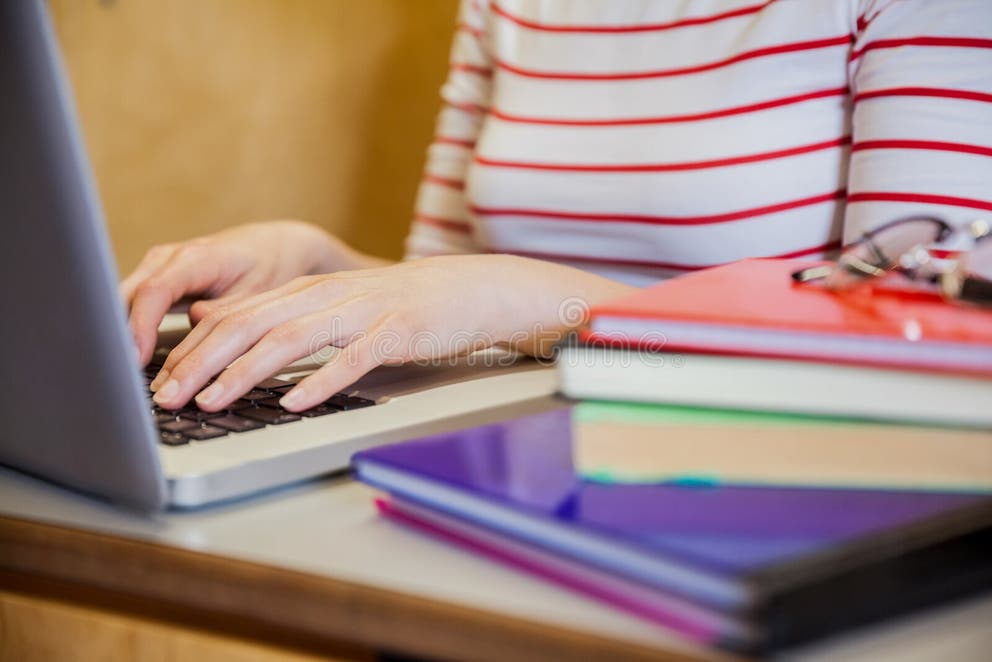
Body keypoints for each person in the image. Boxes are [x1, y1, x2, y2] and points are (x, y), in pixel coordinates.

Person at [127, 0, 992, 413]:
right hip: (506, 456)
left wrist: (541, 301)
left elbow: (920, 358)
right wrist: (320, 262)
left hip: (753, 477)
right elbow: (449, 301)